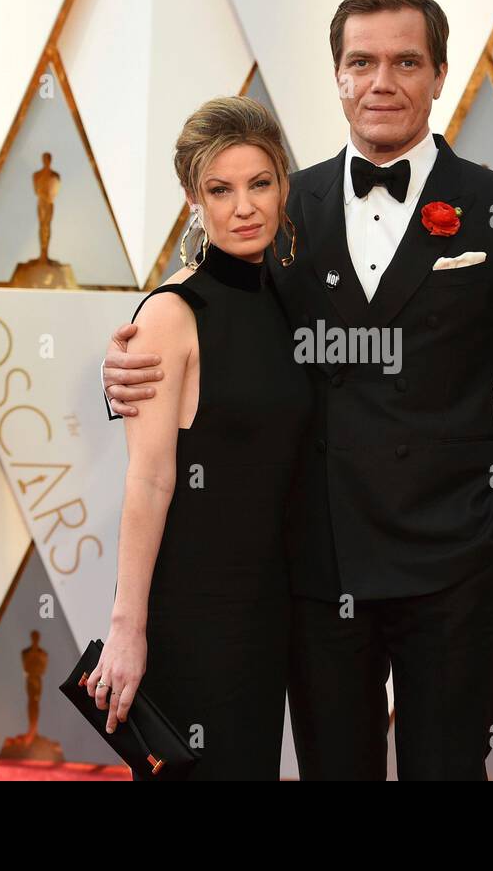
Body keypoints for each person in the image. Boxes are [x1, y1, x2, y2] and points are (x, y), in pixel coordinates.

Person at [104, 0, 493, 780]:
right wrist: (127, 376)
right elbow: (219, 330)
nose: (381, 81)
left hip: (453, 563)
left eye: (404, 61)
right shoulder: (287, 204)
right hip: (320, 568)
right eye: (362, 62)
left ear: (439, 74)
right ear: (338, 75)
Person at [85, 97, 312, 779]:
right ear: (194, 199)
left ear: (282, 187)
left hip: (272, 607)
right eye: (221, 189)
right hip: (195, 612)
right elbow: (150, 479)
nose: (243, 207)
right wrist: (128, 626)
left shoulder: (290, 301)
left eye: (259, 184)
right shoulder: (172, 313)